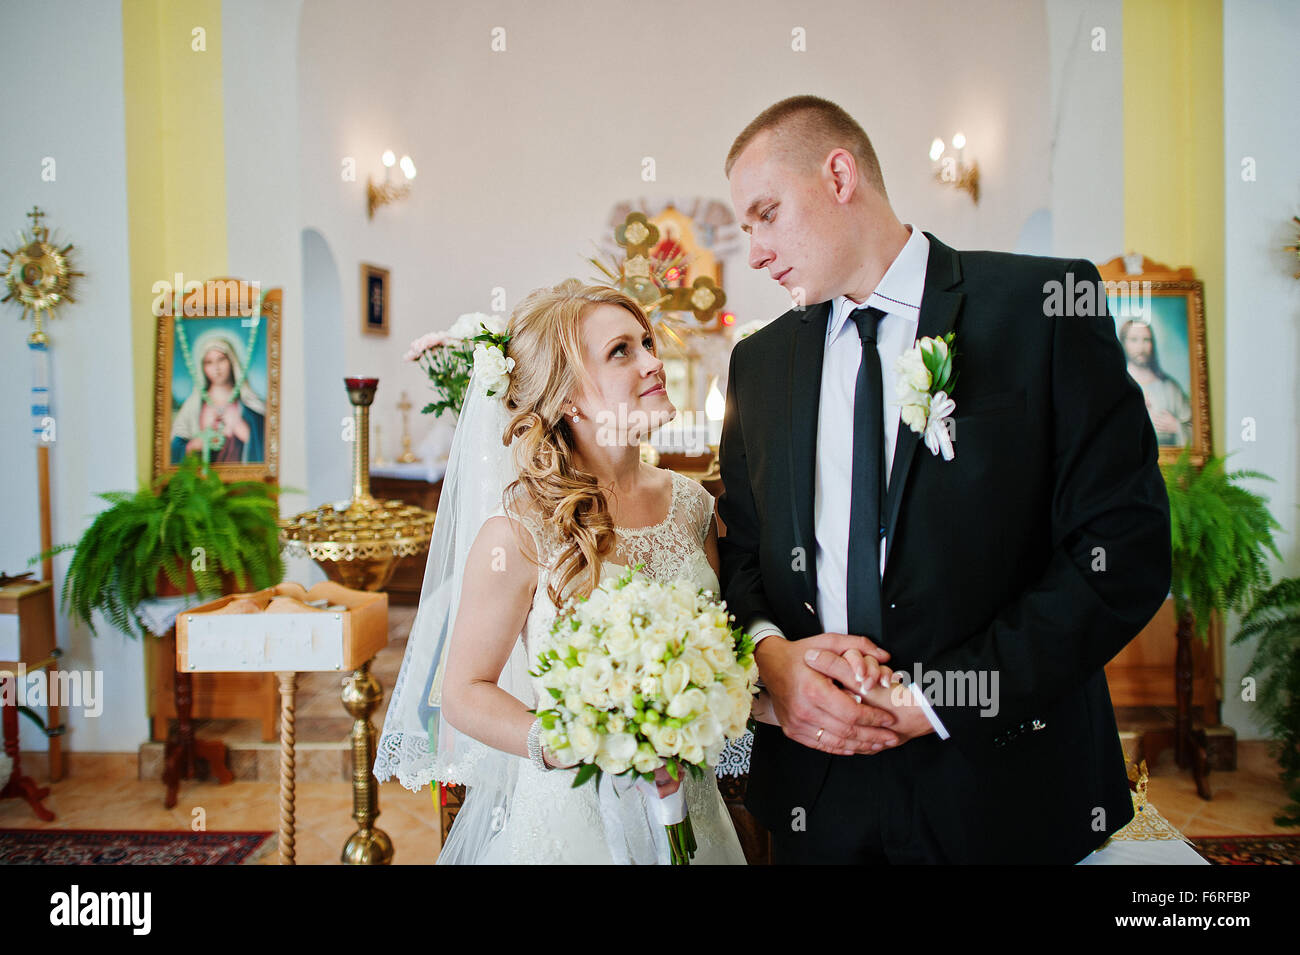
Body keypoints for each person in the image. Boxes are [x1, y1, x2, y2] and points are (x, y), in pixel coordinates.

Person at [718, 95, 1171, 864]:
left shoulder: (1041, 308)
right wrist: (770, 656)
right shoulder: (758, 366)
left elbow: (1121, 552)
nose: (755, 252)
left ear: (838, 174)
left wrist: (940, 696)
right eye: (745, 228)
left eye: (766, 214)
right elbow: (744, 553)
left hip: (1002, 782)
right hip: (820, 793)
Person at [374, 279, 747, 864]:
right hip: (576, 822)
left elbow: (723, 649)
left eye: (647, 343)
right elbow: (464, 693)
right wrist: (568, 740)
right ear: (569, 398)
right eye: (622, 351)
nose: (655, 362)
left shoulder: (693, 503)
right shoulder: (517, 533)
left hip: (693, 810)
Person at [170, 332, 266, 464]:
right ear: (202, 367)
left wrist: (243, 430)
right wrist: (192, 446)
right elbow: (172, 450)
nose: (216, 368)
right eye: (209, 362)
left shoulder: (249, 402)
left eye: (221, 359)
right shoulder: (193, 406)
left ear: (231, 361)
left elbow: (268, 445)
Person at [1119, 319, 1192, 446]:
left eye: (1146, 340)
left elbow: (1196, 433)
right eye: (1134, 340)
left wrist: (1176, 427)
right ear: (1124, 343)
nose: (1141, 347)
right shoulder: (1116, 385)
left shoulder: (1169, 387)